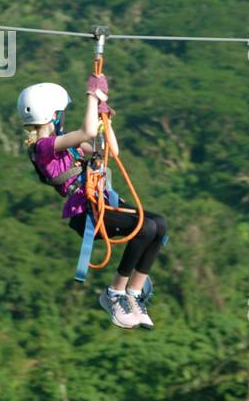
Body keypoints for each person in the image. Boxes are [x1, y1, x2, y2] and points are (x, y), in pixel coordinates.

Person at [16, 77, 168, 329]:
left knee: (159, 224)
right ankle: (114, 294)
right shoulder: (44, 147)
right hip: (85, 211)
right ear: (52, 114)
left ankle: (134, 293)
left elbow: (111, 150)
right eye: (61, 113)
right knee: (145, 228)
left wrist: (104, 118)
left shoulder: (68, 144)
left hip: (100, 201)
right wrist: (91, 95)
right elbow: (86, 132)